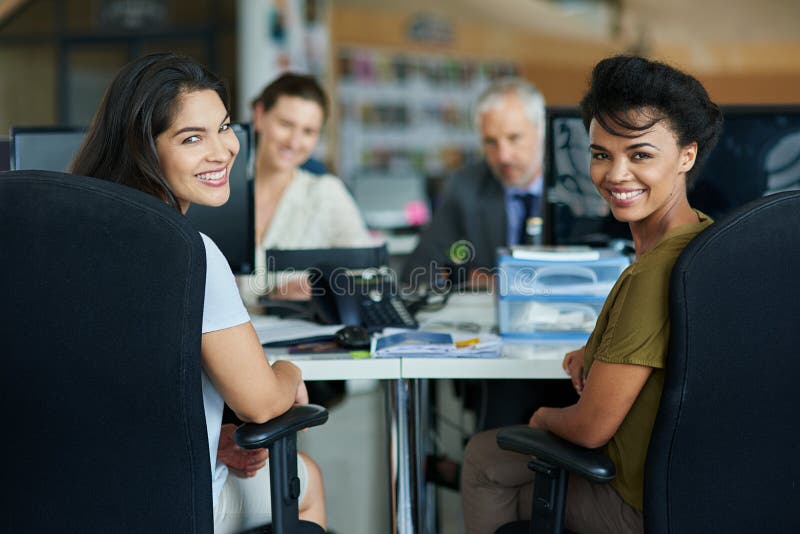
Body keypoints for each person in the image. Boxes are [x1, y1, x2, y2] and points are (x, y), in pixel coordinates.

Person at [460, 54, 723, 534]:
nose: (615, 174)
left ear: (687, 155)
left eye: (640, 155)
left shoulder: (651, 273)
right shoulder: (699, 239)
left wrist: (540, 417)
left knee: (481, 457)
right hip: (689, 486)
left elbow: (589, 428)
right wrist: (598, 351)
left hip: (637, 503)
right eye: (602, 154)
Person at [70, 53, 327, 533]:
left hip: (61, 501)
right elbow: (262, 404)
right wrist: (289, 371)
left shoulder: (63, 245)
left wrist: (215, 438)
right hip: (172, 510)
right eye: (192, 138)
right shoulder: (191, 255)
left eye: (224, 127)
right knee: (305, 480)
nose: (224, 150)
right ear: (144, 149)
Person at [404, 78, 578, 444]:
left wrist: (507, 281)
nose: (503, 156)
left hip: (575, 348)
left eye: (515, 138)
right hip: (501, 355)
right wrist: (469, 279)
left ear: (541, 131)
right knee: (499, 442)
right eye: (490, 142)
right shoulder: (466, 187)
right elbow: (418, 272)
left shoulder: (581, 183)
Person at [241, 72, 372, 306]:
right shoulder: (218, 189)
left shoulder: (326, 193)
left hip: (299, 335)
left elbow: (367, 271)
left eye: (308, 132)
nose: (294, 142)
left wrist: (323, 286)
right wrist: (271, 295)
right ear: (259, 116)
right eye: (286, 124)